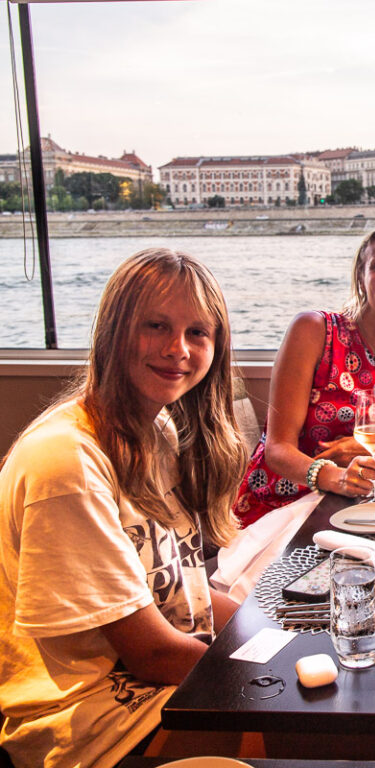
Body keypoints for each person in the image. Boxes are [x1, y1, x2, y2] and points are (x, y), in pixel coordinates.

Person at [0, 249, 249, 766]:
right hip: (90, 726)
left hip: (150, 688)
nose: (177, 349)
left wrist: (278, 628)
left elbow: (184, 591)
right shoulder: (67, 460)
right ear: (114, 330)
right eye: (155, 325)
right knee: (313, 734)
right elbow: (153, 652)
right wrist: (269, 674)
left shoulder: (155, 430)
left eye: (198, 333)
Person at [233, 219, 375, 527]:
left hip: (351, 494)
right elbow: (277, 450)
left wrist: (363, 444)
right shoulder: (312, 329)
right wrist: (335, 477)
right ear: (361, 278)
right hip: (283, 498)